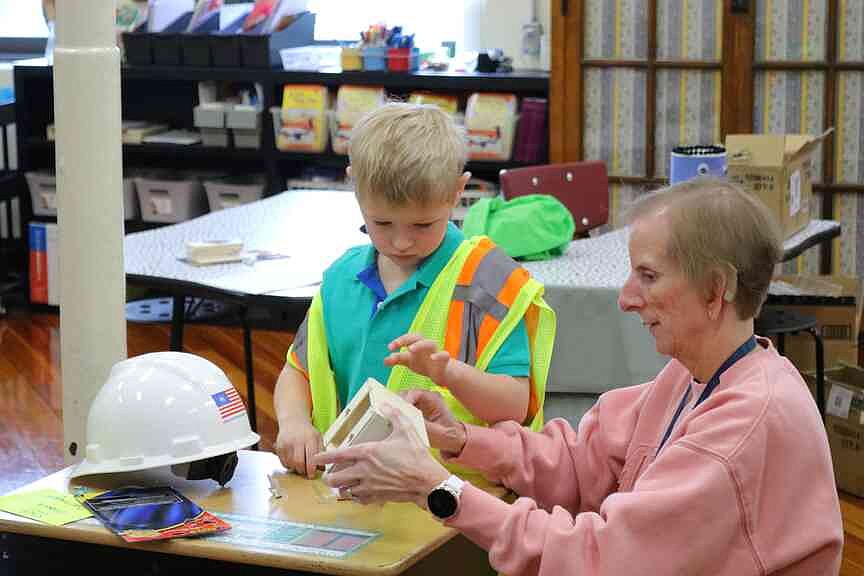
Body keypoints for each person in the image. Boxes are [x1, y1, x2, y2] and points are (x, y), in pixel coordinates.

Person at [314, 178, 844, 575]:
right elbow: (578, 461)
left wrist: (437, 488)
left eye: (649, 276)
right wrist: (459, 439)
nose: (626, 298)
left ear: (715, 289)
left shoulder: (743, 424)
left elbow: (601, 559)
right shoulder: (693, 379)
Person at [274, 102, 556, 478]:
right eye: (383, 222)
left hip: (455, 503)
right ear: (353, 185)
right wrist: (293, 423)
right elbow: (298, 371)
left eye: (423, 225)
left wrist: (450, 373)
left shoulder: (488, 280)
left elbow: (514, 406)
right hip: (355, 491)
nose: (402, 242)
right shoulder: (341, 278)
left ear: (458, 191)